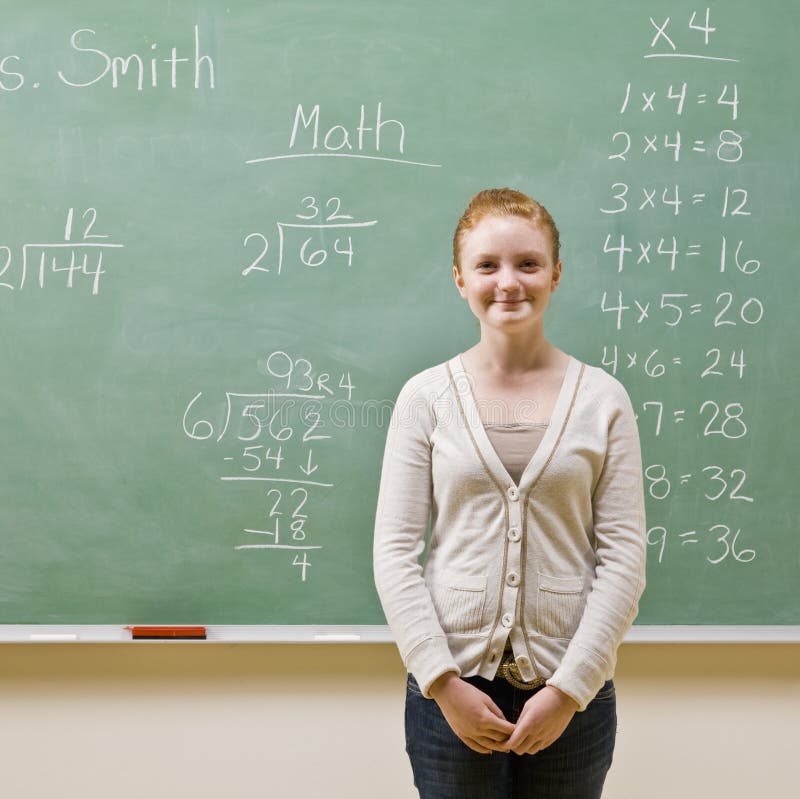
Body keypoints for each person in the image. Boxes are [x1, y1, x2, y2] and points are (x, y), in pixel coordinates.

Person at [373, 188, 647, 798]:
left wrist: (568, 690)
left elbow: (624, 558)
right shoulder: (426, 398)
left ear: (556, 273)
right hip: (451, 693)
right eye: (487, 265)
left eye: (528, 263)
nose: (509, 283)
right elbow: (394, 552)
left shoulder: (603, 400)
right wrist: (443, 683)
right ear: (459, 279)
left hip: (572, 696)